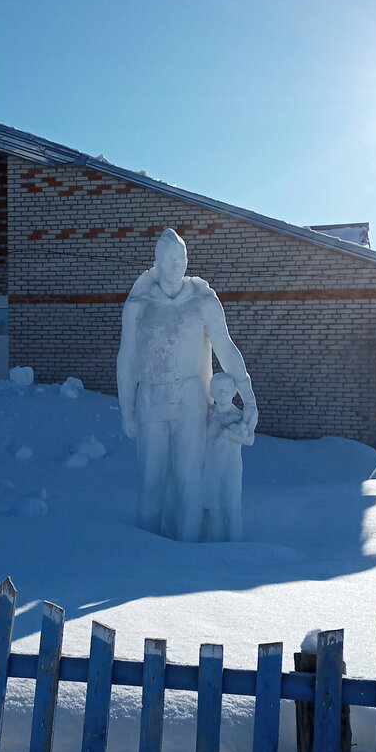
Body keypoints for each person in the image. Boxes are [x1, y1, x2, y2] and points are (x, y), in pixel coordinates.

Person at [117, 228, 257, 542]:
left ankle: (187, 554)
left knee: (188, 479)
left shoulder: (203, 301)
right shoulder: (138, 304)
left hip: (190, 401)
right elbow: (127, 360)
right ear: (157, 261)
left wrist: (248, 397)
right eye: (168, 258)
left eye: (180, 257)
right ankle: (147, 550)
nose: (175, 264)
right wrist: (126, 411)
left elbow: (226, 347)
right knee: (151, 482)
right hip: (151, 400)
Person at [202, 372, 255, 542]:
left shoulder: (238, 417)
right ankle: (217, 550)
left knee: (232, 511)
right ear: (212, 392)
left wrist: (227, 434)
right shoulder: (207, 415)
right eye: (218, 390)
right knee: (215, 512)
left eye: (226, 390)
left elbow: (249, 440)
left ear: (234, 392)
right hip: (210, 469)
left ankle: (234, 549)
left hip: (230, 470)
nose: (223, 394)